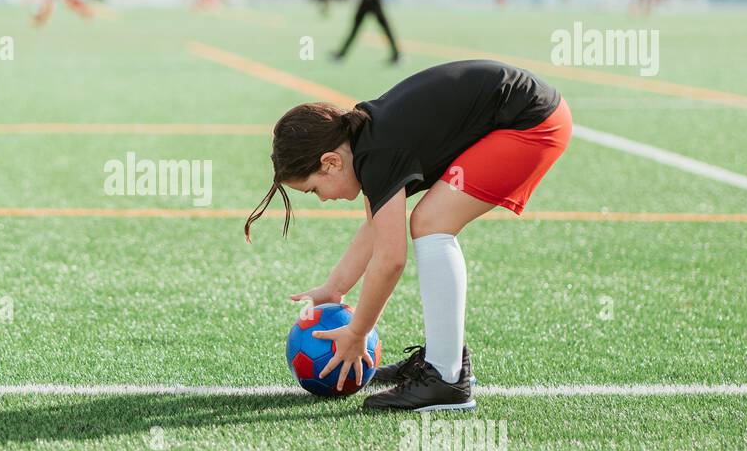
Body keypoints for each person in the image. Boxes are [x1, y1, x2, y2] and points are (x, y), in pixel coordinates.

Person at [244, 60, 571, 412]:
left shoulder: (376, 153)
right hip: (519, 113)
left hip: (532, 122)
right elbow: (376, 229)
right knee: (428, 221)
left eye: (313, 190)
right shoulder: (363, 145)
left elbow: (391, 259)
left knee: (430, 224)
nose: (322, 199)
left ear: (331, 162)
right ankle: (443, 359)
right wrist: (335, 288)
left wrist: (357, 333)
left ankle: (446, 379)